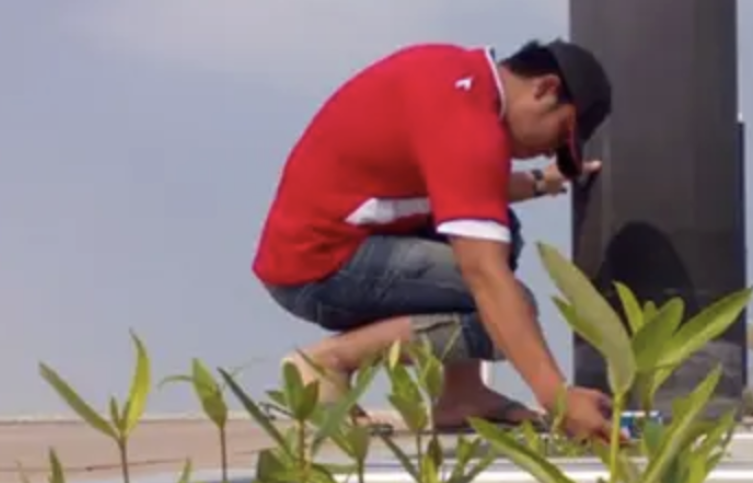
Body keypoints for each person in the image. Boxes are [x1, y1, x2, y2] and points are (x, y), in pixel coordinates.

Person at [251, 38, 616, 441]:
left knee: (500, 229)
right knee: (503, 309)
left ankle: (463, 395)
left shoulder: (456, 79)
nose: (545, 151)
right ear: (545, 88)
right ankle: (327, 363)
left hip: (321, 246)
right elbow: (483, 273)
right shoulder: (469, 127)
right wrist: (558, 399)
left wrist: (539, 183)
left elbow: (464, 181)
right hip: (320, 270)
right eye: (560, 136)